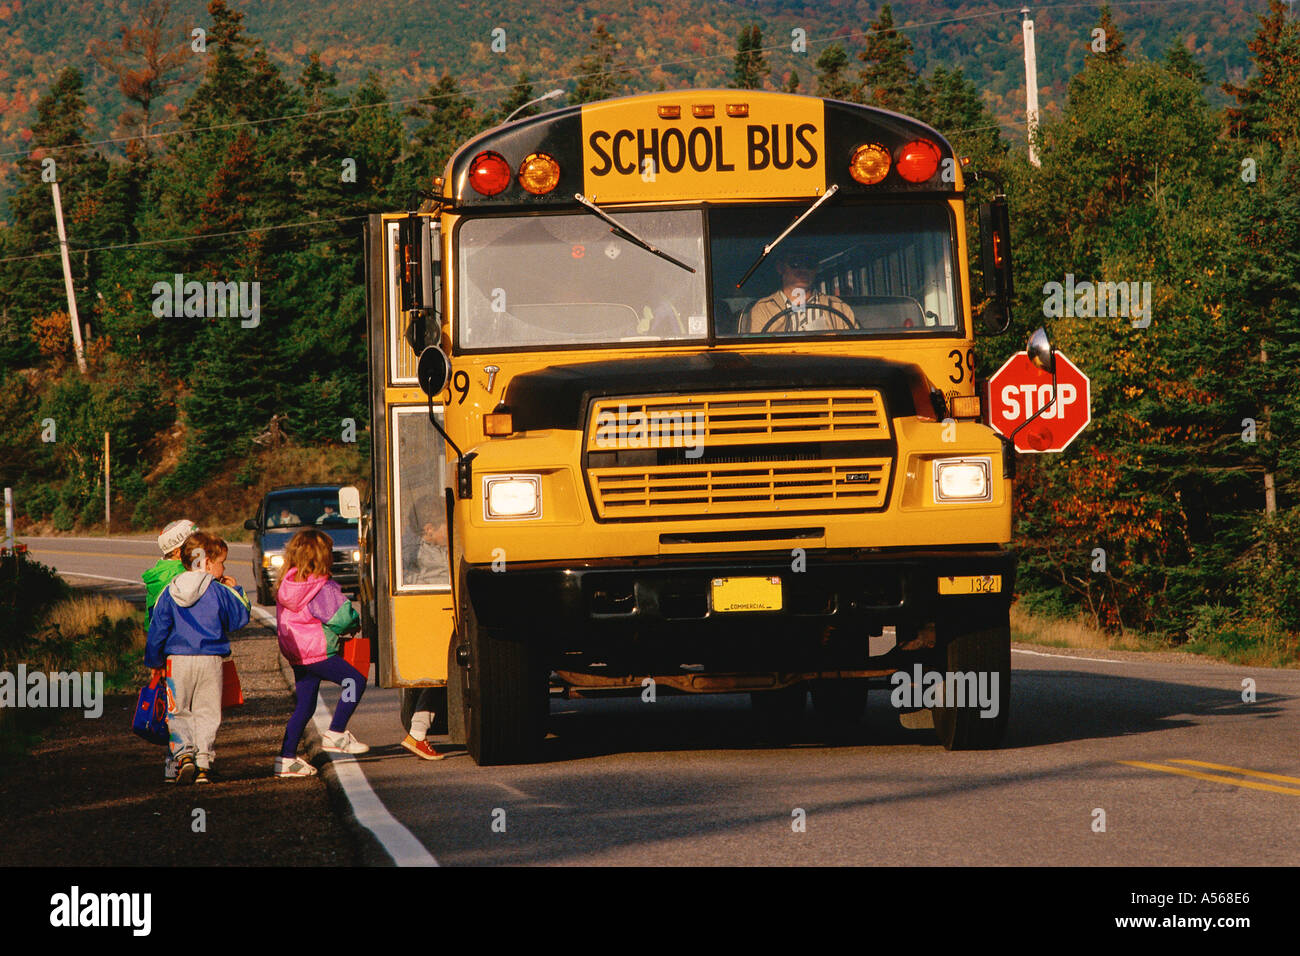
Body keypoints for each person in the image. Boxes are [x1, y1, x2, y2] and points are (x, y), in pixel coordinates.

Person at [145, 531, 250, 786]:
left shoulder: (170, 591)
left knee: (178, 710)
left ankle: (184, 757)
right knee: (207, 711)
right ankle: (204, 762)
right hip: (210, 659)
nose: (223, 567)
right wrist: (235, 590)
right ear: (206, 563)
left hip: (177, 660)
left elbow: (158, 627)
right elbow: (239, 618)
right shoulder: (218, 591)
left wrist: (154, 660)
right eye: (221, 562)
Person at [274, 529, 366, 778]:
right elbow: (342, 619)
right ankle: (336, 733)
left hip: (297, 654)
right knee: (354, 681)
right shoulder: (320, 586)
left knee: (305, 706)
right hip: (318, 651)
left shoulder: (289, 582)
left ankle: (286, 758)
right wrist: (355, 622)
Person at [141, 518, 198, 783]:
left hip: (164, 650)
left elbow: (148, 622)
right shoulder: (181, 576)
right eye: (193, 546)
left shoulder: (156, 576)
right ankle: (193, 762)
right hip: (184, 648)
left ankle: (171, 767)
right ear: (178, 552)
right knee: (191, 709)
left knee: (172, 708)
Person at [739, 248, 855, 334]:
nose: (803, 270)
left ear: (816, 269)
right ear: (780, 268)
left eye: (810, 264)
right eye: (795, 263)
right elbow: (759, 353)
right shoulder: (763, 309)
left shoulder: (838, 307)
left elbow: (854, 347)